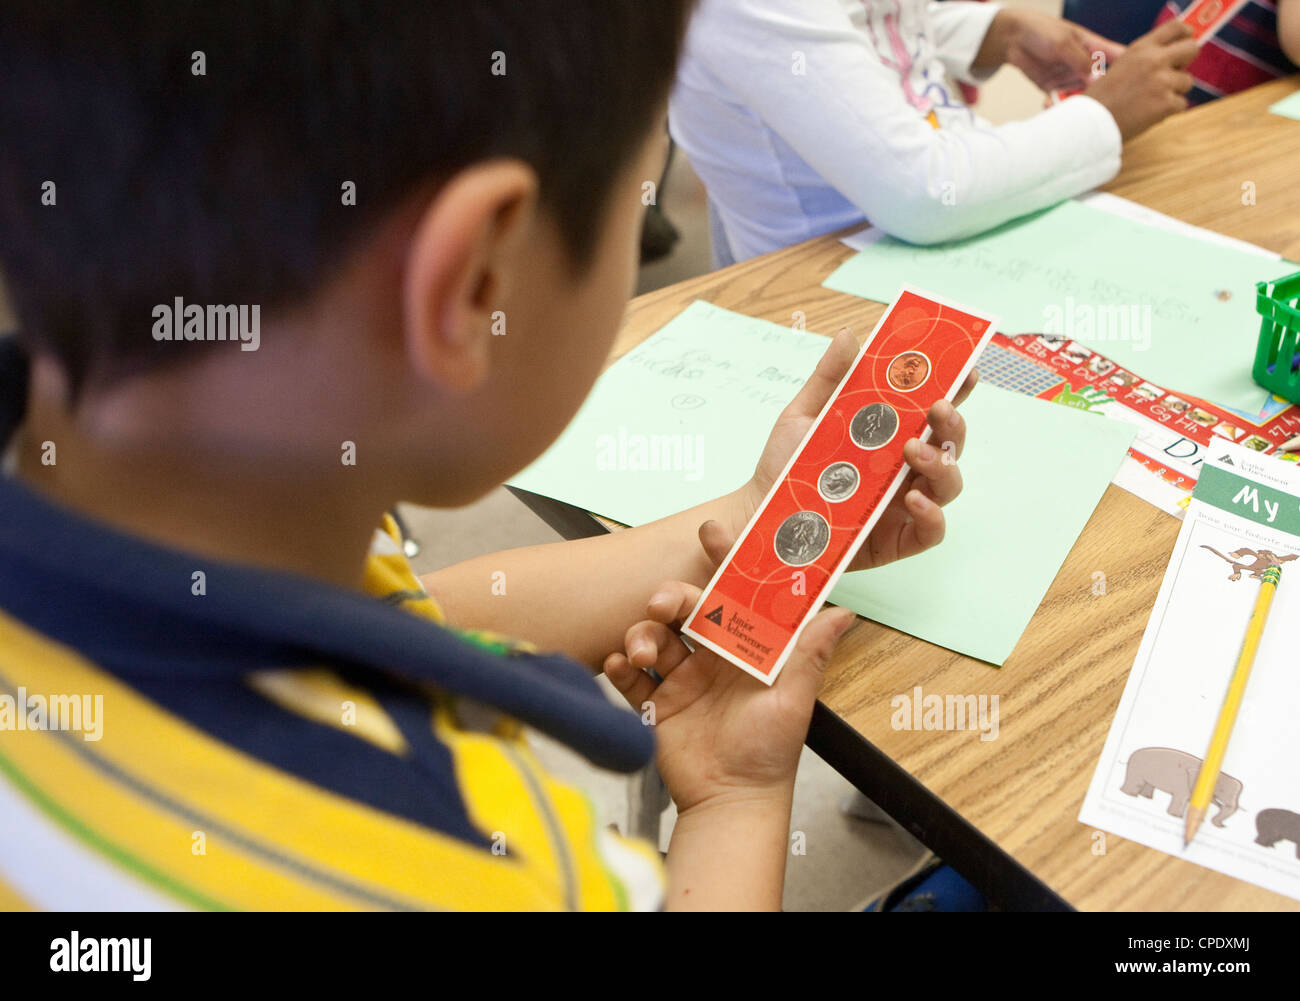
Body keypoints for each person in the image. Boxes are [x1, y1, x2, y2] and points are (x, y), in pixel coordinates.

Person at [0, 1, 972, 911]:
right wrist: (733, 795)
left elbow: (415, 609)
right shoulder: (474, 861)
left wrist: (767, 505)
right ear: (474, 281)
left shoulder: (200, 492)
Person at [670, 0, 1198, 264]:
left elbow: (865, 22)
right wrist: (1103, 114)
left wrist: (995, 32)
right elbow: (923, 194)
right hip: (836, 283)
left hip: (935, 237)